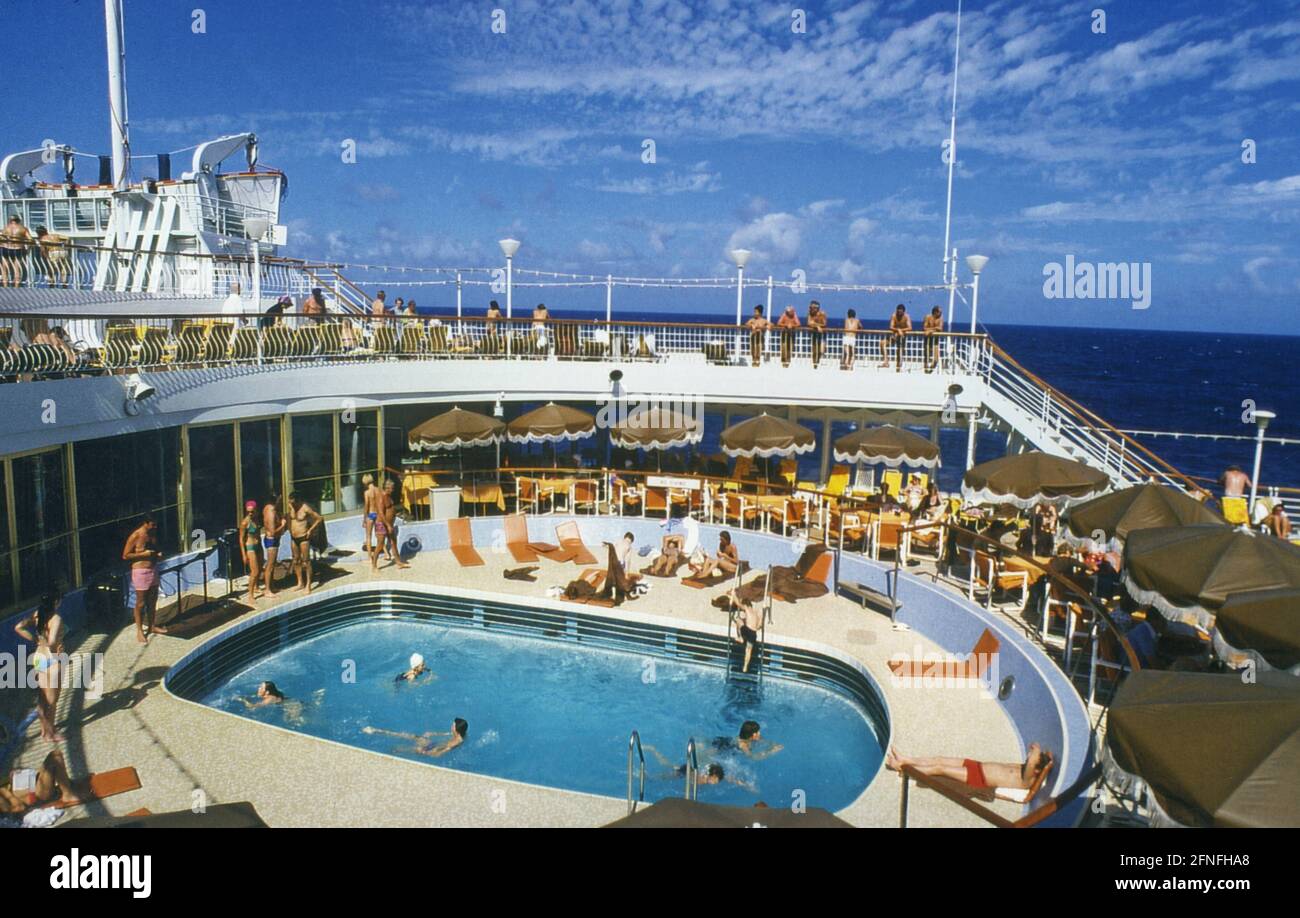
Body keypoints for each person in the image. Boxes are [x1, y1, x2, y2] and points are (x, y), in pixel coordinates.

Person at [885, 743, 1053, 792]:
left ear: (1037, 770)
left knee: (939, 768)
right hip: (977, 765)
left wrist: (1037, 750)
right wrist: (1045, 758)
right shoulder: (1027, 768)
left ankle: (901, 768)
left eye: (1033, 757)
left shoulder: (1028, 779)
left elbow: (1033, 763)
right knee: (939, 759)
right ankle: (905, 759)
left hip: (979, 778)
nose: (1029, 756)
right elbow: (1034, 762)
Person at [14, 591, 67, 742]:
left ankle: (44, 730)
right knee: (52, 700)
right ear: (56, 602)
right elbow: (51, 643)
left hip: (39, 657)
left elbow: (18, 627)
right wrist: (55, 646)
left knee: (42, 697)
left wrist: (36, 640)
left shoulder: (37, 614)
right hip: (53, 660)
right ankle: (51, 733)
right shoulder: (56, 619)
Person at [122, 514, 165, 643]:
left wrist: (158, 554)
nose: (155, 527)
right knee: (141, 603)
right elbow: (125, 555)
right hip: (140, 572)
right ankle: (140, 631)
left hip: (153, 569)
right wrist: (143, 554)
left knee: (153, 600)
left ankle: (152, 626)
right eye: (153, 524)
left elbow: (155, 550)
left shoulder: (152, 534)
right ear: (145, 523)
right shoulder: (136, 535)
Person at [0, 749, 82, 815]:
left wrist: (12, 778)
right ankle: (68, 795)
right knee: (55, 756)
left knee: (54, 757)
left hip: (30, 785)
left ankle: (67, 786)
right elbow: (19, 807)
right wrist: (7, 791)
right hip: (35, 796)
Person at [364, 719, 468, 758]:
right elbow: (446, 734)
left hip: (431, 749)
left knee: (399, 749)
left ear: (456, 728)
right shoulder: (461, 734)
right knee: (413, 736)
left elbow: (439, 754)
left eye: (453, 725)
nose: (451, 726)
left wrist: (426, 753)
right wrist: (432, 733)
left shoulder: (456, 742)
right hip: (434, 744)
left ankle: (390, 753)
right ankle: (377, 731)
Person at [288, 492, 324, 592]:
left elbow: (319, 518)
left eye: (293, 502)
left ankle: (308, 584)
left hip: (304, 537)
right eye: (290, 502)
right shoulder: (291, 507)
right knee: (295, 560)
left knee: (306, 561)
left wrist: (311, 530)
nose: (291, 504)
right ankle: (300, 582)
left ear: (298, 500)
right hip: (294, 538)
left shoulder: (305, 508)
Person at [727, 592, 763, 674]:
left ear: (746, 605)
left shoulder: (746, 608)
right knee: (748, 650)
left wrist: (734, 595)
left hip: (747, 631)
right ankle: (745, 667)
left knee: (739, 620)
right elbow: (758, 626)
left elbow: (739, 604)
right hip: (753, 634)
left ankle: (740, 638)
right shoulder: (755, 613)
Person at [380, 479, 411, 570]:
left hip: (390, 524)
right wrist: (388, 525)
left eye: (393, 488)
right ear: (387, 488)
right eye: (391, 488)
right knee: (379, 545)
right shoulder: (383, 497)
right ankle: (374, 565)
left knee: (393, 543)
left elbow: (389, 509)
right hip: (383, 524)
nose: (393, 490)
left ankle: (398, 562)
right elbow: (381, 513)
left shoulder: (389, 496)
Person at [238, 500, 263, 604]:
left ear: (256, 510)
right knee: (255, 572)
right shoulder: (245, 522)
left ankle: (256, 587)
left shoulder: (257, 519)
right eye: (248, 512)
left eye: (252, 511)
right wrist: (244, 554)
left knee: (260, 568)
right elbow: (241, 539)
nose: (250, 513)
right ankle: (250, 595)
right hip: (250, 547)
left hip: (258, 546)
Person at [262, 497, 287, 596]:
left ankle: (271, 586)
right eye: (279, 500)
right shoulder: (271, 512)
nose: (280, 502)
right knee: (270, 565)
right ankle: (267, 589)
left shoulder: (267, 508)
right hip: (272, 540)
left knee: (272, 564)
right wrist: (282, 525)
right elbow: (273, 532)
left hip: (272, 540)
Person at [0, 215, 32, 287]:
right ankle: (16, 286)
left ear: (10, 220)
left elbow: (1, 238)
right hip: (18, 248)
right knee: (17, 268)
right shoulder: (23, 229)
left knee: (4, 268)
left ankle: (5, 286)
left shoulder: (5, 228)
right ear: (18, 220)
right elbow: (30, 240)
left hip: (6, 248)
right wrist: (28, 249)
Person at [882, 303, 911, 368]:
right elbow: (891, 326)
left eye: (901, 312)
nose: (899, 314)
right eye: (898, 312)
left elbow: (910, 327)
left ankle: (898, 367)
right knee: (882, 343)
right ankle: (886, 361)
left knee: (899, 351)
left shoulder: (907, 316)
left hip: (902, 336)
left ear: (903, 311)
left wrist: (901, 330)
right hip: (894, 335)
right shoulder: (894, 316)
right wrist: (898, 330)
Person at [362, 473, 381, 561]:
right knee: (379, 535)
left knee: (368, 536)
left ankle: (370, 557)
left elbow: (366, 505)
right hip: (378, 514)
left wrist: (364, 519)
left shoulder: (367, 492)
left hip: (371, 514)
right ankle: (387, 554)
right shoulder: (378, 490)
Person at [922, 305, 944, 372]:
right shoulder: (928, 317)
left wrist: (931, 330)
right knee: (927, 357)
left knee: (936, 360)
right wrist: (934, 329)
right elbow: (924, 328)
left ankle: (930, 371)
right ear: (935, 312)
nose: (941, 314)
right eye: (940, 312)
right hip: (927, 339)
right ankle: (926, 371)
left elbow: (940, 328)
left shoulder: (940, 319)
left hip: (935, 341)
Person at [807, 300, 827, 368]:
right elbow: (809, 323)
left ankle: (817, 363)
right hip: (814, 333)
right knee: (814, 349)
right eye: (810, 307)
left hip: (822, 334)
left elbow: (824, 324)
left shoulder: (822, 313)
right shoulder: (809, 313)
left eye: (812, 308)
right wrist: (817, 326)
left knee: (821, 351)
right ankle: (815, 365)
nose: (810, 309)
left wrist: (815, 324)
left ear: (816, 308)